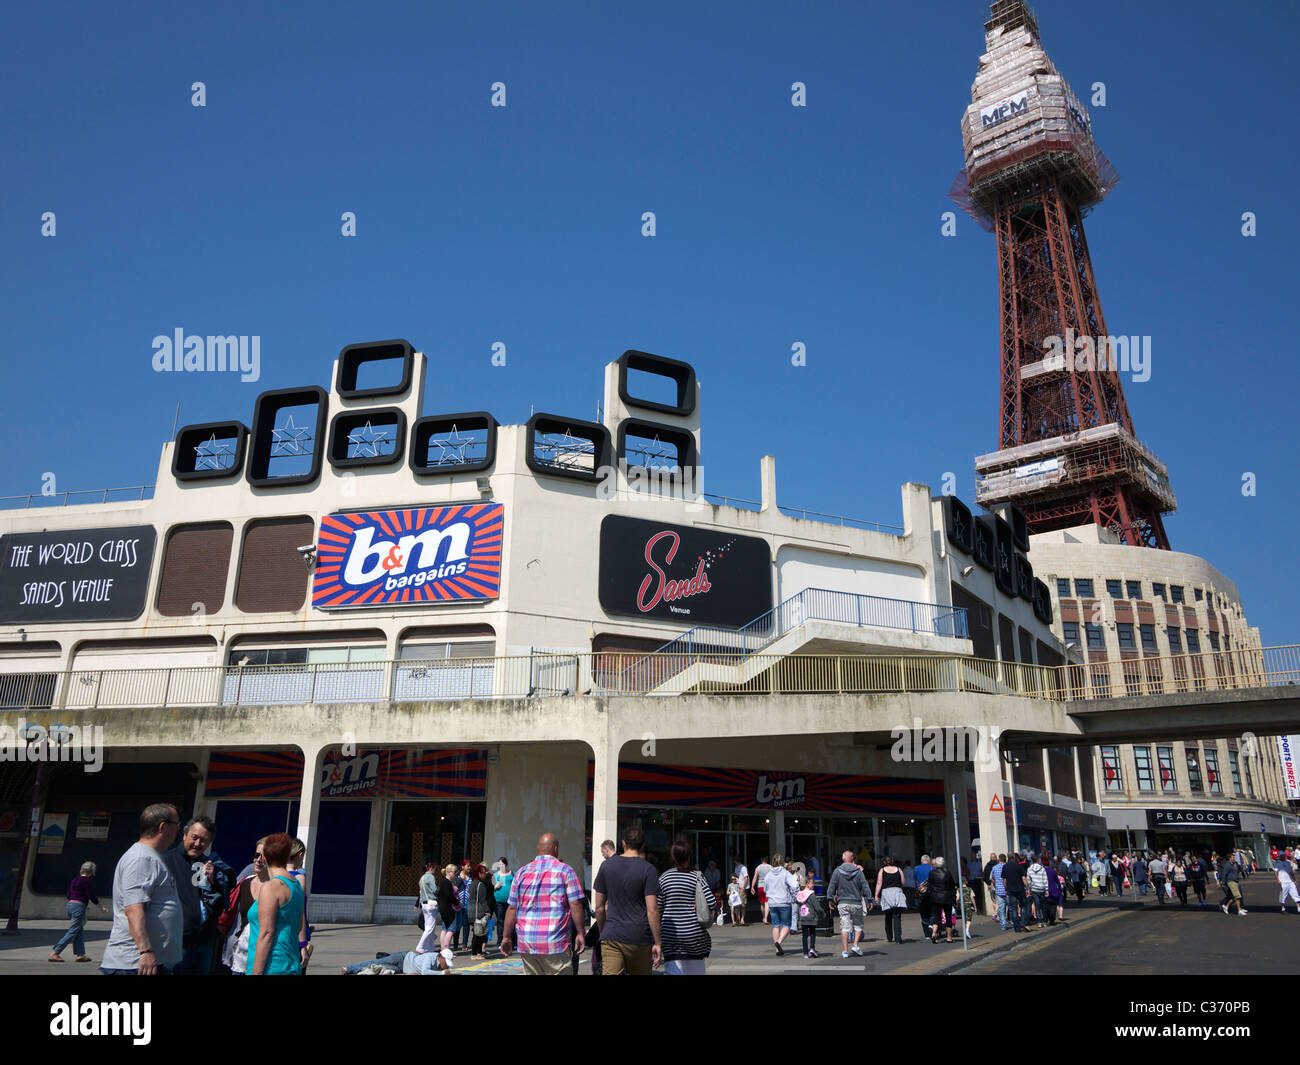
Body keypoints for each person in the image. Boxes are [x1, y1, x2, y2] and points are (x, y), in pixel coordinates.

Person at [100, 803, 183, 975]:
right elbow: (133, 909)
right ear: (163, 827)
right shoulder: (141, 859)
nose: (179, 830)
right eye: (177, 825)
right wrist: (145, 951)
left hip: (152, 963)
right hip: (136, 965)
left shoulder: (152, 857)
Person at [500, 833, 586, 975]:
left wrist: (506, 937)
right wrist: (581, 933)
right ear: (556, 849)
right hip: (555, 942)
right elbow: (576, 904)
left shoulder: (521, 872)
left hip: (528, 943)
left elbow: (512, 908)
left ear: (538, 849)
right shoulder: (565, 871)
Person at [165, 814, 236, 975]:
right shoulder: (166, 862)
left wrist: (214, 884)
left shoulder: (207, 864)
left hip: (204, 943)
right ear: (184, 835)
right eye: (194, 837)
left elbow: (218, 906)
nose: (197, 844)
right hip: (176, 944)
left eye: (203, 840)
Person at [592, 827, 662, 975]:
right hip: (639, 936)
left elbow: (598, 907)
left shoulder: (607, 866)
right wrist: (657, 942)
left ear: (623, 844)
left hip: (612, 935)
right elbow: (652, 909)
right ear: (642, 845)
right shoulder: (648, 869)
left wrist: (603, 932)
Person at [246, 833, 306, 975]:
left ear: (265, 857)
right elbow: (299, 923)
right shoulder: (296, 884)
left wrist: (256, 972)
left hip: (272, 966)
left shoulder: (271, 887)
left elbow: (267, 932)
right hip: (290, 963)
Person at [657, 839, 717, 974]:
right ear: (689, 856)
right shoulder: (696, 876)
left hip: (670, 937)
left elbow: (657, 909)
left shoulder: (664, 878)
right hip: (694, 937)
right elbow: (712, 902)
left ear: (673, 857)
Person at [220, 838, 267, 976]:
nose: (258, 860)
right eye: (256, 855)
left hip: (262, 957)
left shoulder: (277, 888)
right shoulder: (245, 882)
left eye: (264, 856)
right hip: (239, 954)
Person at [50, 862, 108, 962]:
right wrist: (101, 907)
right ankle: (56, 952)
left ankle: (80, 954)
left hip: (70, 905)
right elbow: (91, 895)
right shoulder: (87, 881)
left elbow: (68, 895)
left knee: (78, 930)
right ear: (92, 871)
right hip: (78, 906)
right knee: (73, 930)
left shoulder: (75, 880)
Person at [827, 849, 871, 957]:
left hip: (843, 903)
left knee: (845, 927)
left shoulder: (837, 871)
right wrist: (869, 899)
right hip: (856, 902)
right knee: (858, 925)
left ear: (843, 858)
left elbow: (831, 886)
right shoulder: (858, 871)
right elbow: (865, 886)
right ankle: (855, 945)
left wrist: (830, 899)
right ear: (852, 859)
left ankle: (845, 951)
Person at [763, 852, 799, 956]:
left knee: (775, 925)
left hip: (772, 903)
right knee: (787, 925)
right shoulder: (785, 873)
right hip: (784, 902)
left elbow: (765, 889)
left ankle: (777, 949)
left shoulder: (768, 874)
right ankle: (778, 942)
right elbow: (794, 885)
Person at [342, 946, 454, 975]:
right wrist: (442, 973)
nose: (446, 966)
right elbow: (425, 971)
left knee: (376, 969)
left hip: (402, 968)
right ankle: (349, 968)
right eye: (446, 963)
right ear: (441, 958)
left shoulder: (441, 965)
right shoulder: (431, 957)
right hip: (402, 958)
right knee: (375, 963)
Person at [875, 856, 907, 944]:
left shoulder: (882, 870)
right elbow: (903, 882)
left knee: (888, 916)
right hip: (897, 892)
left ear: (884, 862)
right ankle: (898, 938)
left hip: (886, 893)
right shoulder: (899, 869)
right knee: (897, 916)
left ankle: (889, 936)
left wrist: (876, 895)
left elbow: (879, 883)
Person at [796, 870, 828, 956]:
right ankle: (812, 949)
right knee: (813, 933)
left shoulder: (799, 895)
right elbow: (817, 907)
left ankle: (805, 953)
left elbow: (798, 905)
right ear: (807, 884)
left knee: (804, 936)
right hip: (812, 917)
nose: (813, 885)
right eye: (811, 883)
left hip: (803, 917)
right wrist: (823, 914)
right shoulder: (811, 895)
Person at [926, 857, 957, 943]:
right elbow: (952, 886)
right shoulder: (948, 874)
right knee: (948, 917)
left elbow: (930, 885)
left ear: (935, 864)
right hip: (947, 898)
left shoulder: (931, 873)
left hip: (936, 898)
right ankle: (949, 937)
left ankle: (934, 933)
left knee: (937, 917)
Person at [1002, 853, 1029, 933]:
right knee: (1023, 906)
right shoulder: (1019, 866)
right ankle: (1023, 923)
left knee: (1013, 908)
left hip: (1011, 890)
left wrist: (1006, 889)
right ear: (1014, 857)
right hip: (1020, 889)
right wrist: (1027, 888)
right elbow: (1024, 878)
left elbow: (1004, 881)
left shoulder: (1005, 867)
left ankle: (1017, 927)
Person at [492, 858, 514, 943]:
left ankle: (510, 940)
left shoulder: (512, 874)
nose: (501, 866)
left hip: (510, 902)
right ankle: (500, 940)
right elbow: (491, 888)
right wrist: (495, 886)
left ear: (506, 865)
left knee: (510, 921)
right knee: (500, 921)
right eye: (499, 864)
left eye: (502, 864)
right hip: (499, 901)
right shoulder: (495, 875)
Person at [1026, 854, 1049, 927]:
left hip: (1034, 889)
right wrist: (1047, 890)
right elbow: (1045, 880)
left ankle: (1039, 922)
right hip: (1042, 888)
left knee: (1037, 906)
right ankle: (1045, 921)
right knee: (1043, 906)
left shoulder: (1029, 869)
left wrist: (1028, 889)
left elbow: (1028, 880)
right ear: (1038, 860)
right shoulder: (1042, 868)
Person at [752, 855, 773, 924]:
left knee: (762, 903)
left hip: (760, 886)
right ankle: (766, 918)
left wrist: (752, 887)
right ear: (767, 860)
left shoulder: (758, 867)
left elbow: (755, 877)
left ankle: (763, 917)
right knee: (767, 902)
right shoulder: (770, 867)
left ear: (761, 860)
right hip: (768, 886)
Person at [990, 854, 1008, 929]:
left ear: (998, 859)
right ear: (1005, 859)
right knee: (1010, 907)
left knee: (1001, 908)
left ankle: (1003, 925)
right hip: (1007, 890)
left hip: (999, 890)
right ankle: (1013, 923)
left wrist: (995, 885)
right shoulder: (1007, 867)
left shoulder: (994, 867)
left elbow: (992, 878)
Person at [733, 857, 749, 925]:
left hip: (742, 888)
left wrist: (743, 888)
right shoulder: (736, 868)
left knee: (743, 904)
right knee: (736, 904)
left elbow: (746, 878)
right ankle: (738, 919)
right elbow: (736, 877)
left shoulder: (743, 868)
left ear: (736, 861)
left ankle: (742, 919)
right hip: (736, 888)